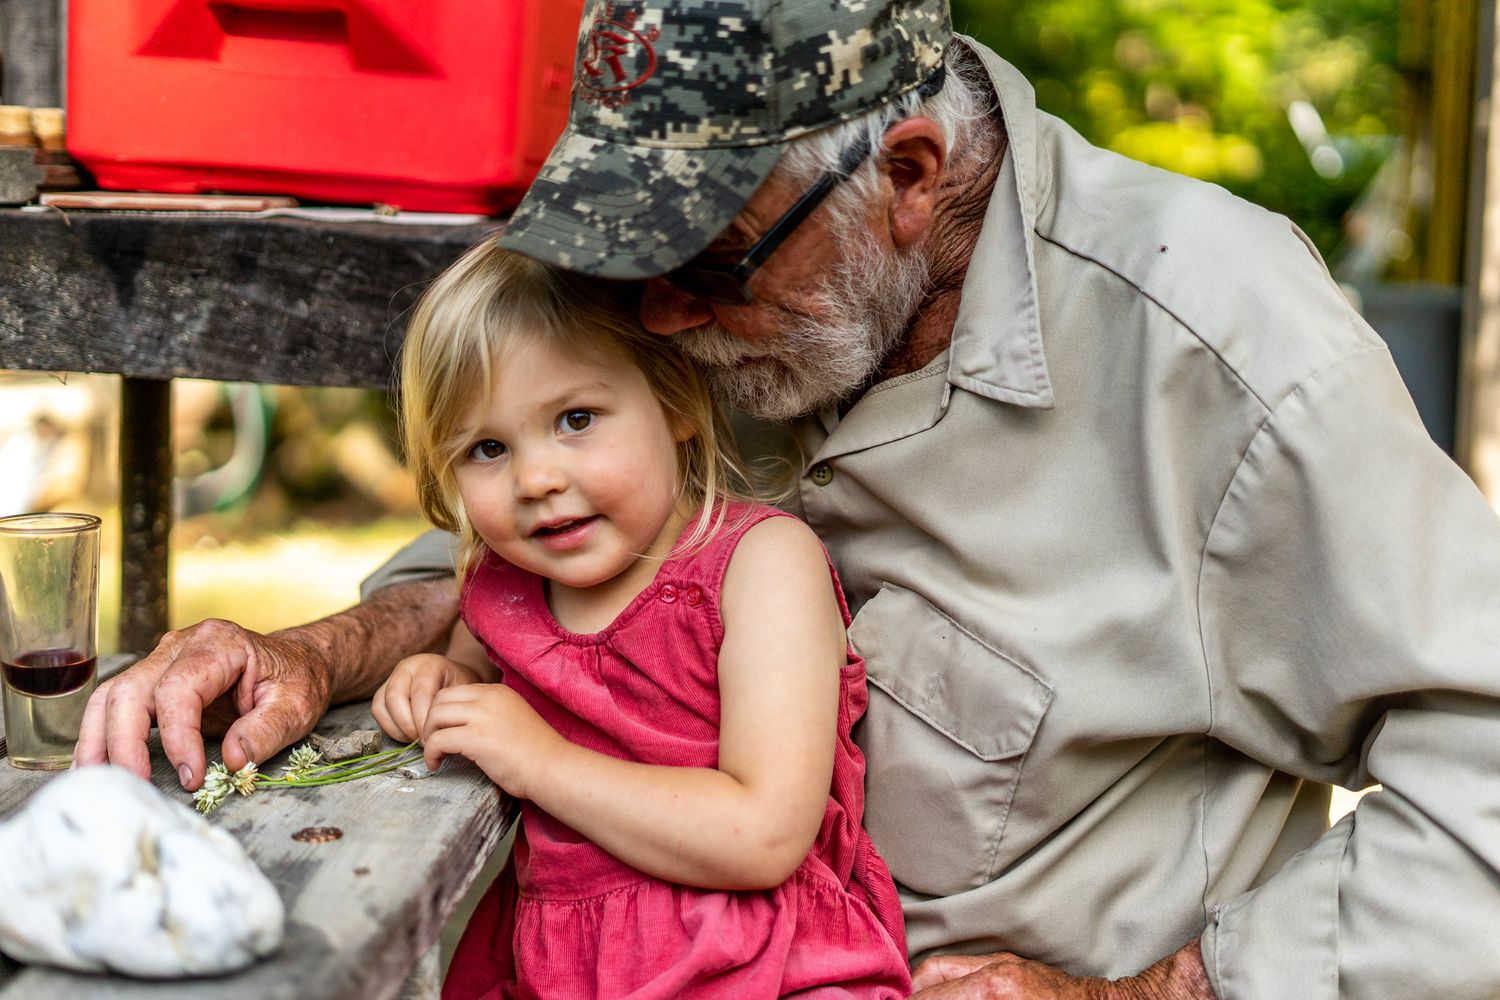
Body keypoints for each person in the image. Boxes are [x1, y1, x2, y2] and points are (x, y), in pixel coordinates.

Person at [76, 0, 1500, 997]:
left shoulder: (1222, 353)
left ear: (910, 179)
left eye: (703, 266)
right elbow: (558, 574)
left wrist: (1156, 996)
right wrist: (313, 653)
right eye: (622, 270)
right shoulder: (743, 294)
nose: (658, 319)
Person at [370, 241, 910, 998]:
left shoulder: (759, 569)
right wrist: (438, 681)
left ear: (676, 404)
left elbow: (764, 834)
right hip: (563, 967)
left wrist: (540, 763)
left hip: (760, 965)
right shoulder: (507, 587)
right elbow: (475, 678)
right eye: (487, 447)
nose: (537, 479)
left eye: (576, 418)